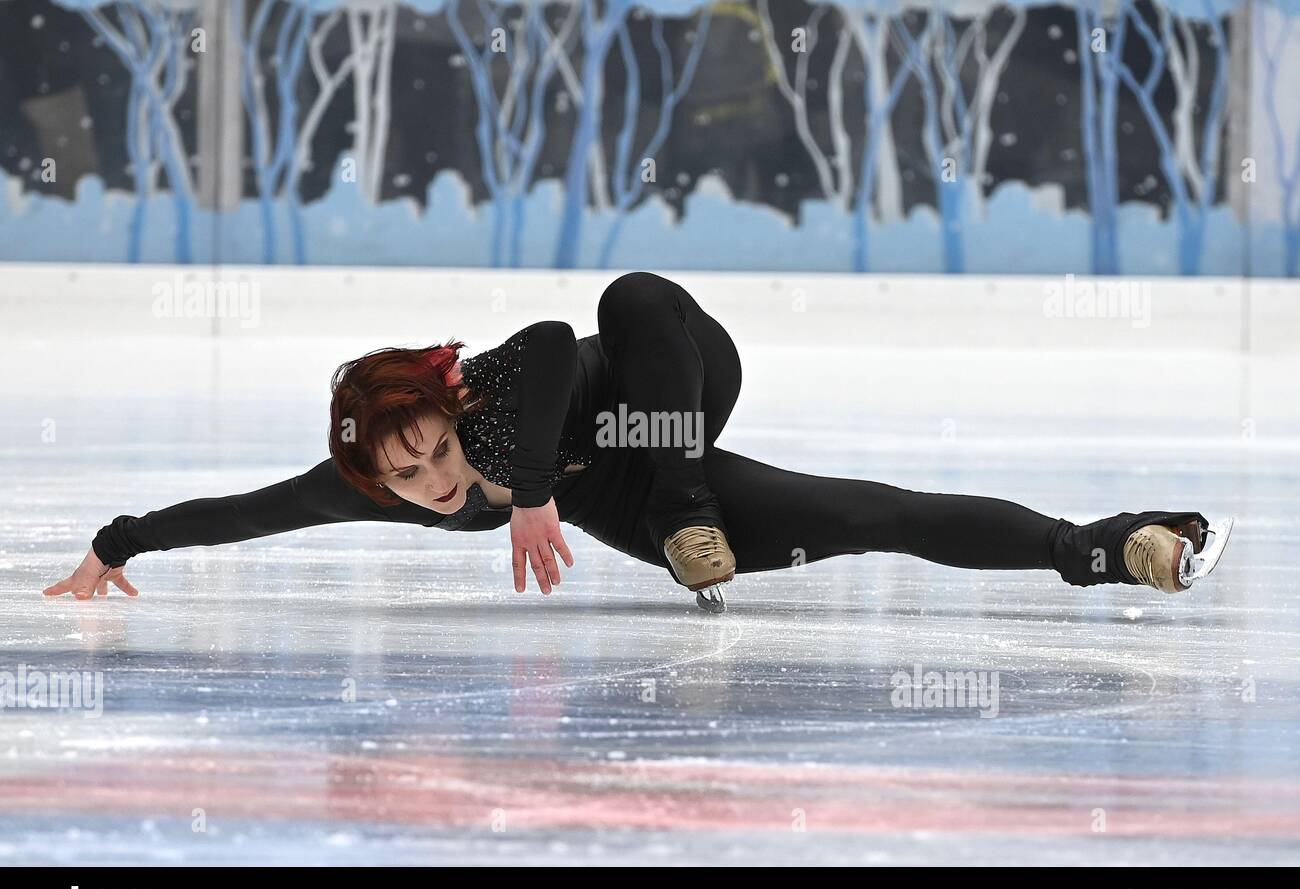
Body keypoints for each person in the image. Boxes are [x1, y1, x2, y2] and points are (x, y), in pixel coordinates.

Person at [43, 271, 1232, 613]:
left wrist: (520, 492)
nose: (425, 476)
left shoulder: (502, 387)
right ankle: (1105, 546)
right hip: (652, 509)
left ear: (447, 403)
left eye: (427, 444)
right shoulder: (382, 486)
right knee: (870, 514)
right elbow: (252, 510)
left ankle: (684, 507)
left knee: (629, 290)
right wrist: (119, 539)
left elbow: (562, 338)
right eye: (402, 475)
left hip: (670, 400)